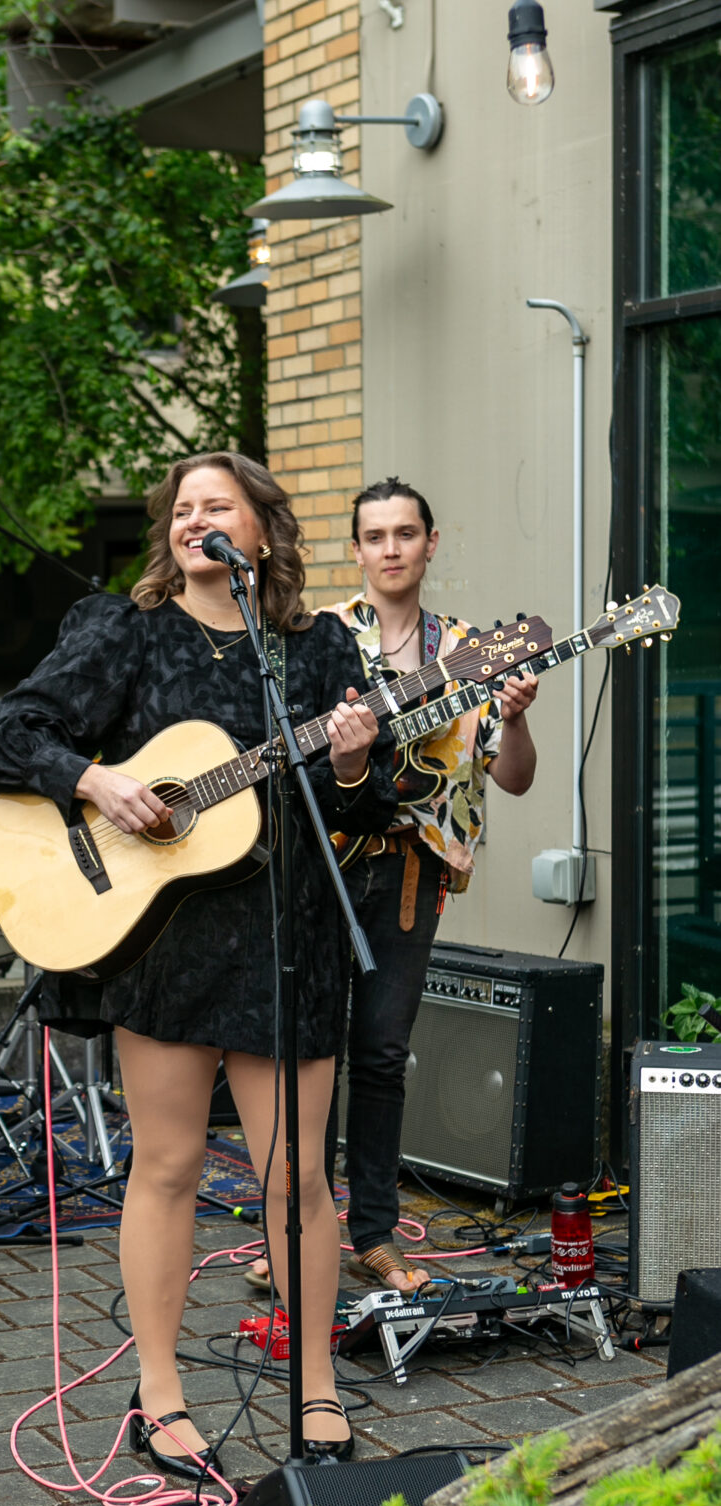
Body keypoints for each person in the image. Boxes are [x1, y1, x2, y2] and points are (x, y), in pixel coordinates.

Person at [0, 451, 394, 1467]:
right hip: (165, 942)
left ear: (260, 533)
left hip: (290, 935)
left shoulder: (318, 645)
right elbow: (4, 736)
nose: (194, 519)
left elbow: (364, 810)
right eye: (182, 507)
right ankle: (158, 1396)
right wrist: (94, 779)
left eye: (219, 506)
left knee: (298, 1176)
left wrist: (347, 763)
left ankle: (319, 1385)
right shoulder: (124, 629)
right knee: (163, 1165)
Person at [246, 476, 538, 1299]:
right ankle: (293, 1232)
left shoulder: (469, 652)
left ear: (430, 543)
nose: (390, 549)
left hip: (408, 873)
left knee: (379, 1055)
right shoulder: (321, 637)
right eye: (374, 536)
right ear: (356, 548)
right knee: (309, 1051)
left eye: (405, 533)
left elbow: (511, 781)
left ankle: (372, 1233)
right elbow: (284, 753)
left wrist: (513, 718)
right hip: (321, 863)